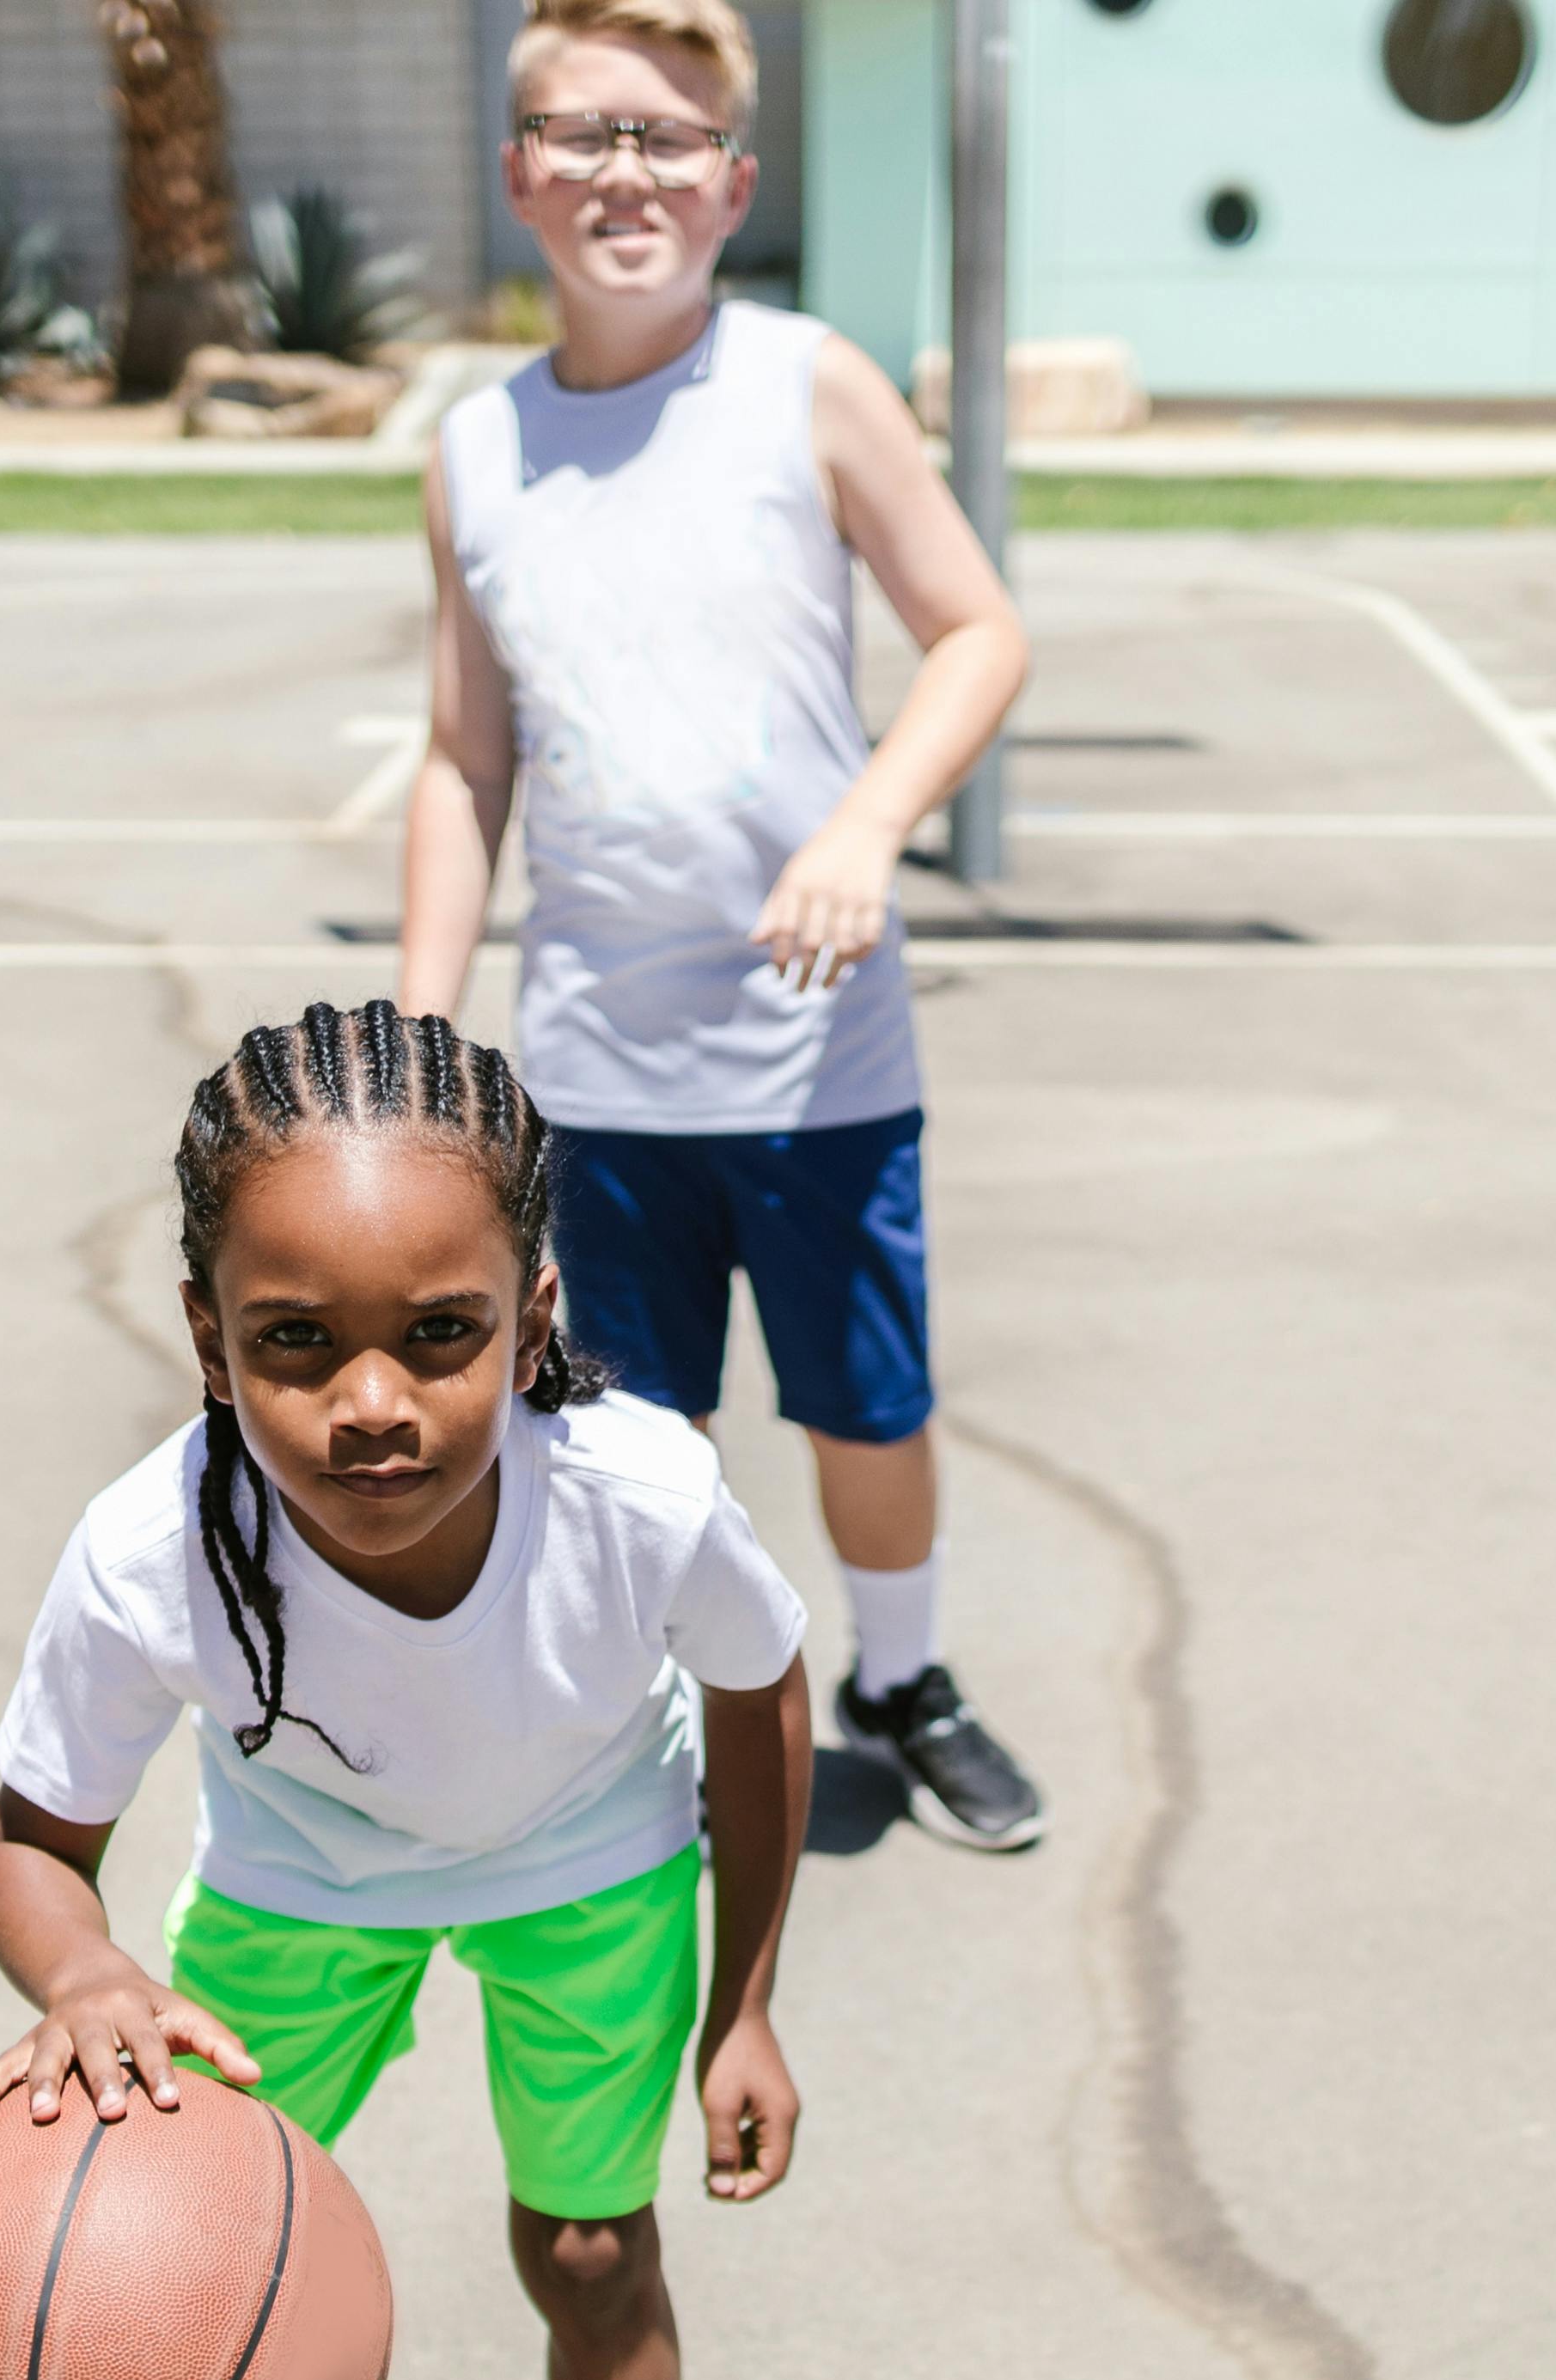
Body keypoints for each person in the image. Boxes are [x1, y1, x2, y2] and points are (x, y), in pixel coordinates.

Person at [0, 998, 815, 2380]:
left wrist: (743, 1999)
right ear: (208, 1334)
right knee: (140, 2278)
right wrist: (90, 1977)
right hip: (299, 1889)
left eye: (438, 1333)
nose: (373, 1401)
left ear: (530, 1304)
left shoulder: (637, 1490)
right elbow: (32, 1847)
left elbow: (763, 1698)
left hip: (589, 1860)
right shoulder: (149, 1548)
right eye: (295, 1342)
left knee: (591, 2247)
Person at [401, 0, 1045, 1852]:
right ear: (517, 167)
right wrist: (425, 1037)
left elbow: (977, 631)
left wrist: (865, 825)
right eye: (581, 134)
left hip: (815, 1049)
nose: (627, 172)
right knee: (627, 1445)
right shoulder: (473, 454)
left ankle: (901, 1675)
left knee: (865, 1407)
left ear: (735, 180)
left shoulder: (801, 382)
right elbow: (463, 759)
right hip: (600, 1065)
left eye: (670, 140)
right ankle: (642, 1717)